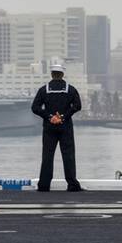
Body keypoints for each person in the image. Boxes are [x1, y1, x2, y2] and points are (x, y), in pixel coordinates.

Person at [31, 64, 84, 192]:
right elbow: (78, 106)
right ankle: (72, 184)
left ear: (51, 74)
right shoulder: (70, 89)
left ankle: (44, 185)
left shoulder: (44, 90)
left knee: (47, 156)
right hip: (65, 127)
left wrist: (49, 117)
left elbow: (35, 107)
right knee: (68, 155)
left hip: (49, 127)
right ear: (62, 74)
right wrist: (64, 116)